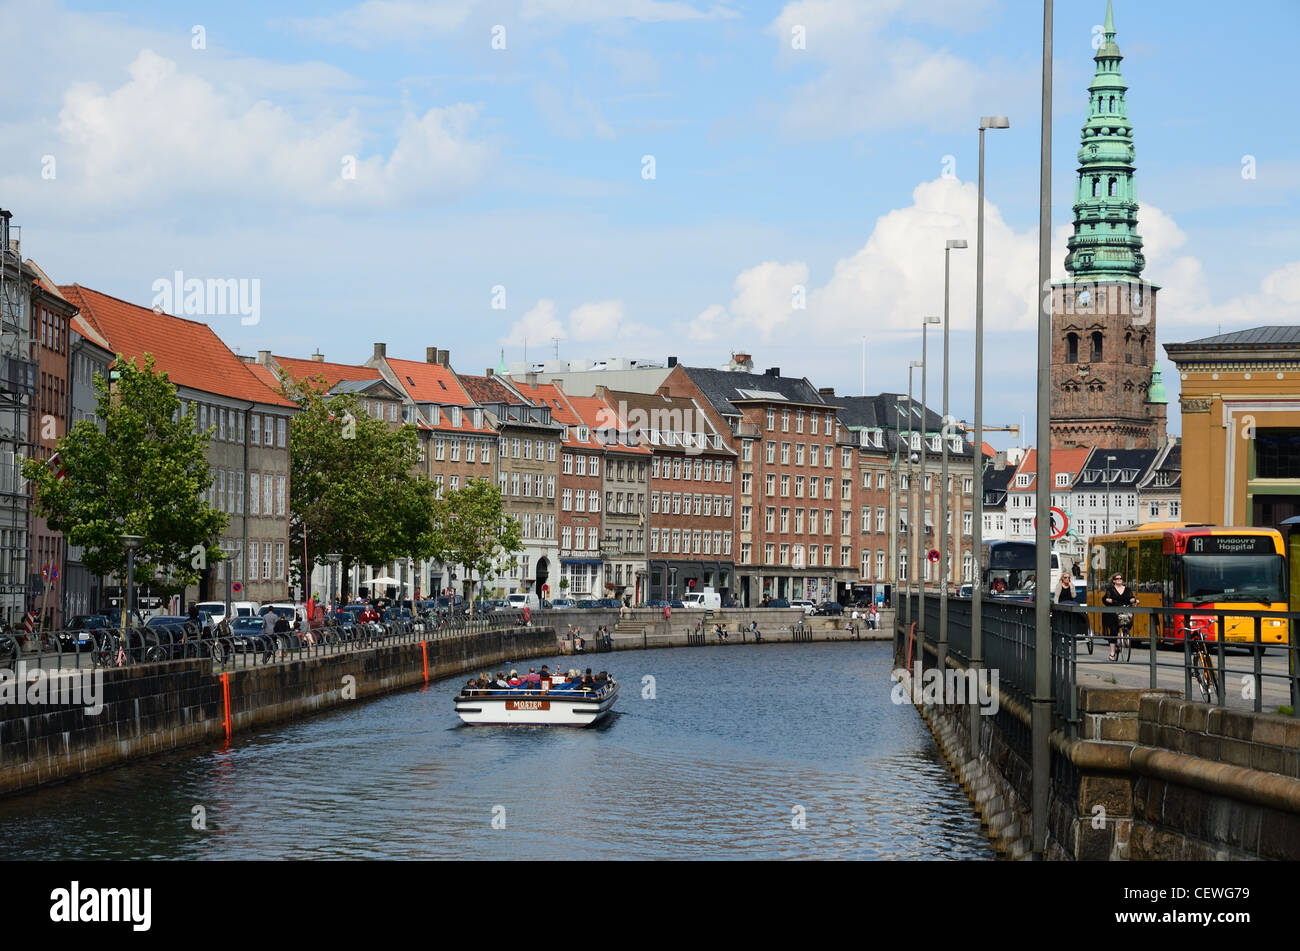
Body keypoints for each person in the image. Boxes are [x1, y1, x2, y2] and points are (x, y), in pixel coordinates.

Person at [1101, 572, 1138, 662]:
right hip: (1113, 612)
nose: (1119, 580)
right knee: (1113, 630)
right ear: (1114, 581)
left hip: (1124, 611)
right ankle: (1112, 653)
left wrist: (1135, 600)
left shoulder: (1127, 589)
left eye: (1121, 578)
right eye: (1117, 579)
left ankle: (1125, 634)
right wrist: (1109, 600)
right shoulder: (1110, 589)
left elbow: (1131, 598)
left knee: (1129, 621)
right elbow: (1105, 598)